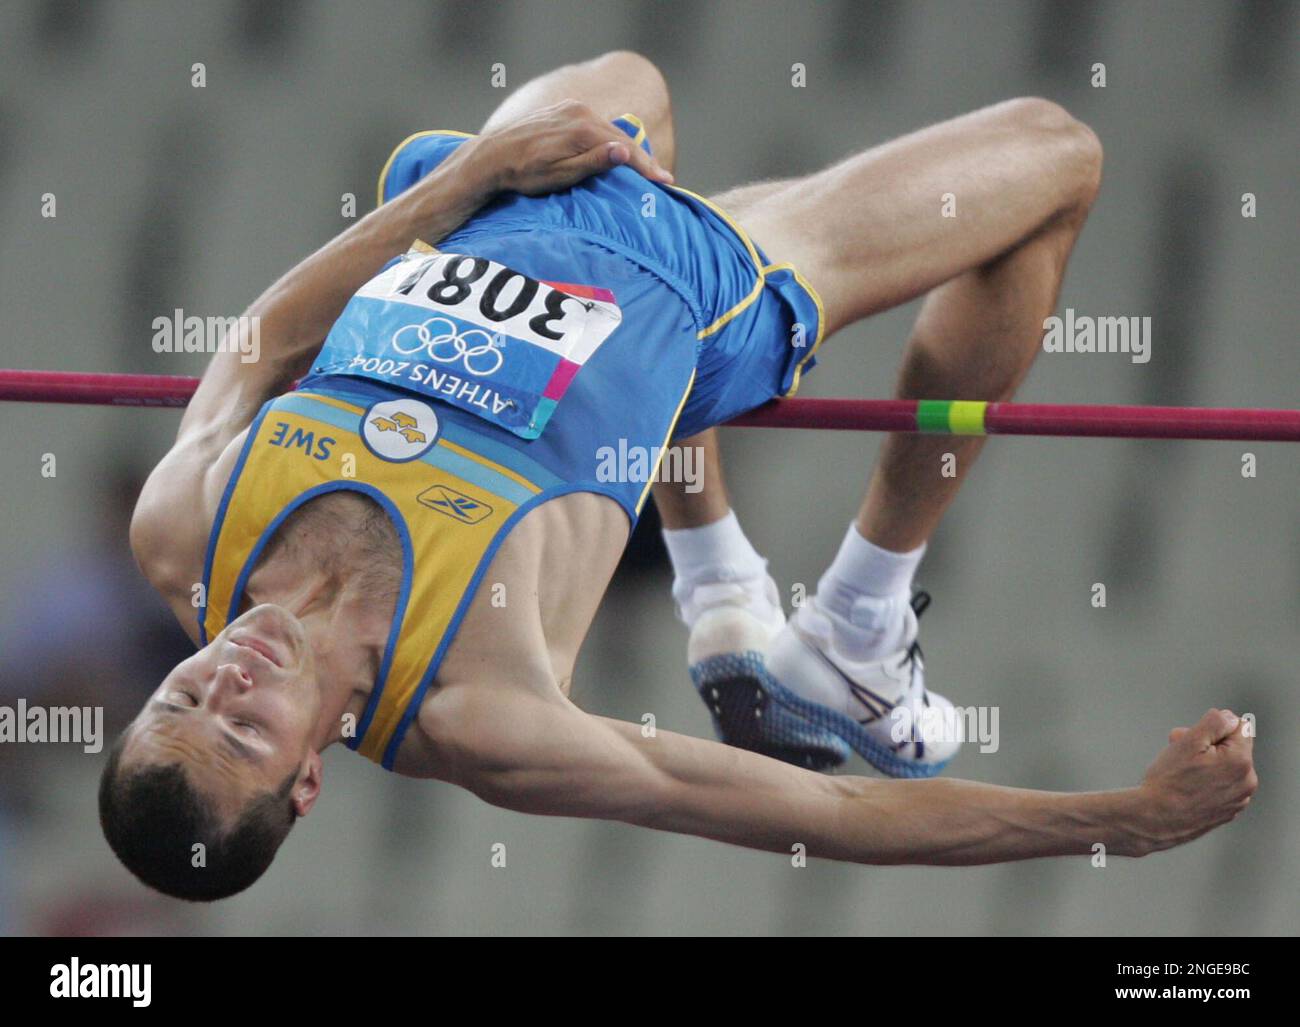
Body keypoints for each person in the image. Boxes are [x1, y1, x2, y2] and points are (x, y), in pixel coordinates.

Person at [102, 52, 1255, 901]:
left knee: (632, 79)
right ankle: (861, 613)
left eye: (180, 697)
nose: (224, 681)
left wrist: (459, 189)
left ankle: (720, 581)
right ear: (306, 781)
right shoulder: (478, 712)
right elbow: (830, 811)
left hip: (487, 202)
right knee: (1056, 153)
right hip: (704, 289)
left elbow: (261, 340)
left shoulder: (187, 530)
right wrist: (1123, 820)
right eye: (243, 729)